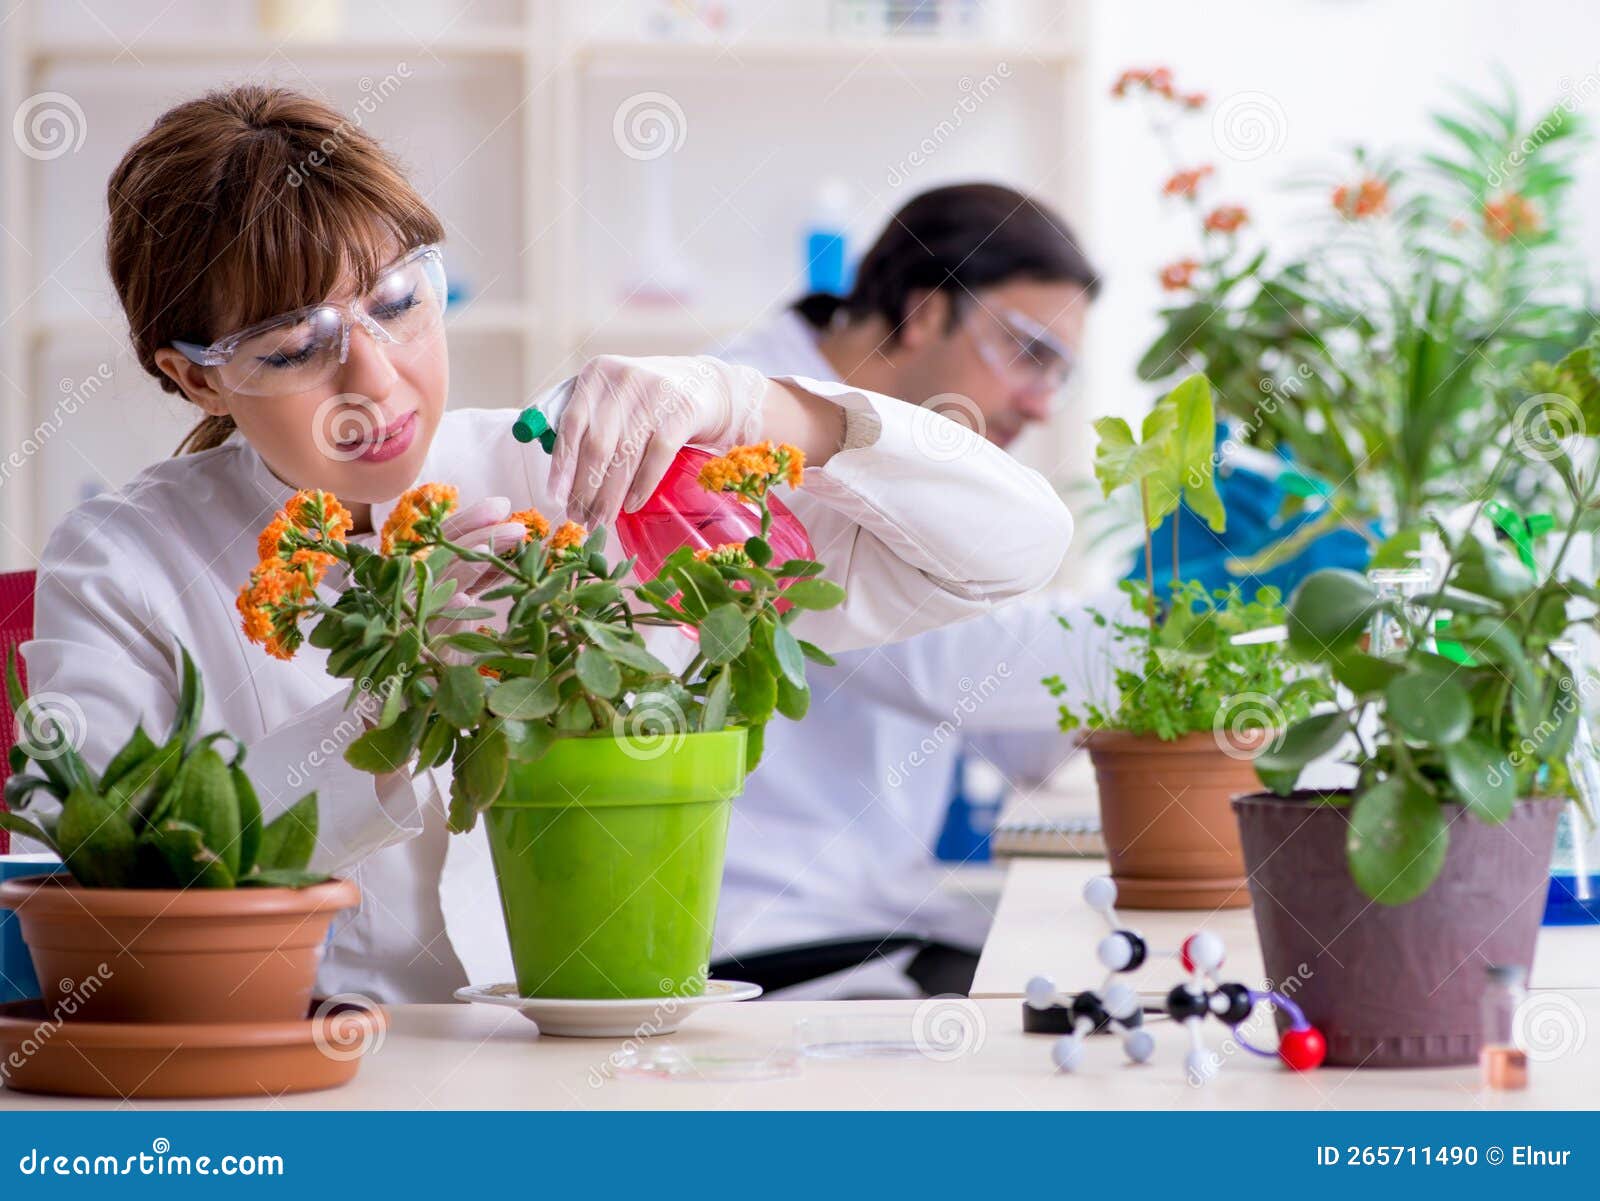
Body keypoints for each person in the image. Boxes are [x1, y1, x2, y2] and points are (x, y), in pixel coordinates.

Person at [18, 90, 1075, 1003]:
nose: (377, 379)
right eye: (295, 349)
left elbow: (1008, 549)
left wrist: (757, 404)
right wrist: (411, 690)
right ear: (199, 375)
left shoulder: (565, 476)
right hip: (281, 1084)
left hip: (576, 1062)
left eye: (399, 304)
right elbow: (120, 869)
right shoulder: (123, 562)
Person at [709, 183, 1125, 997]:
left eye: (1061, 373)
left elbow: (1021, 735)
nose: (1041, 402)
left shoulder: (929, 460)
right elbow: (938, 657)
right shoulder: (742, 422)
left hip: (871, 920)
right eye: (1029, 351)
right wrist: (1176, 616)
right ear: (926, 312)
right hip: (759, 945)